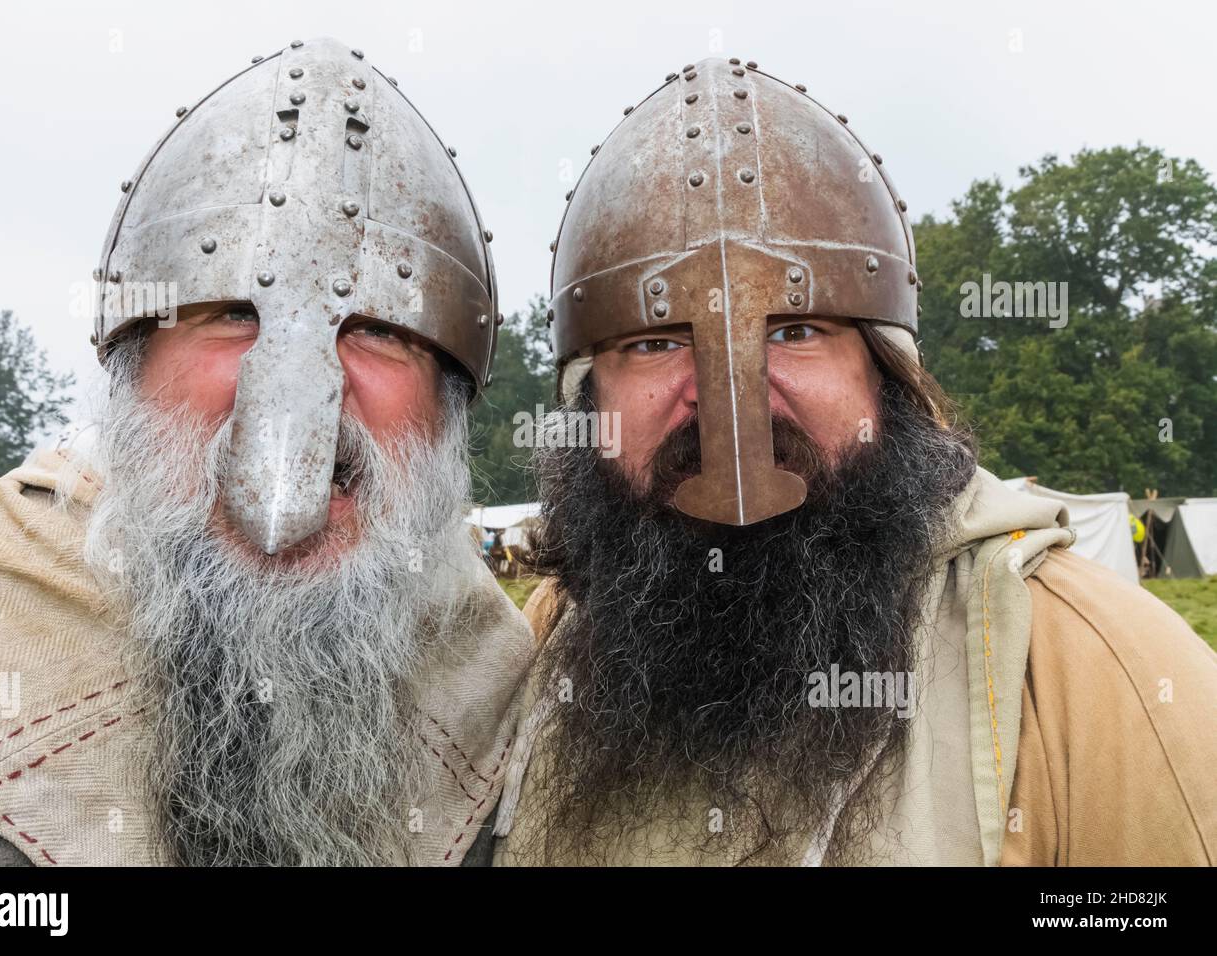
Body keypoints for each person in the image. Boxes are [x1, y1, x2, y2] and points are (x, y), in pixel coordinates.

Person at [492, 57, 1217, 866]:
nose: (729, 394)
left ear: (885, 373)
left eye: (795, 329)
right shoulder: (553, 643)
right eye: (656, 341)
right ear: (590, 400)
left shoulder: (1098, 676)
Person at [0, 37, 533, 867]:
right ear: (132, 370)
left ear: (448, 408)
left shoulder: (497, 673)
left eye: (381, 332)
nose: (300, 385)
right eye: (235, 314)